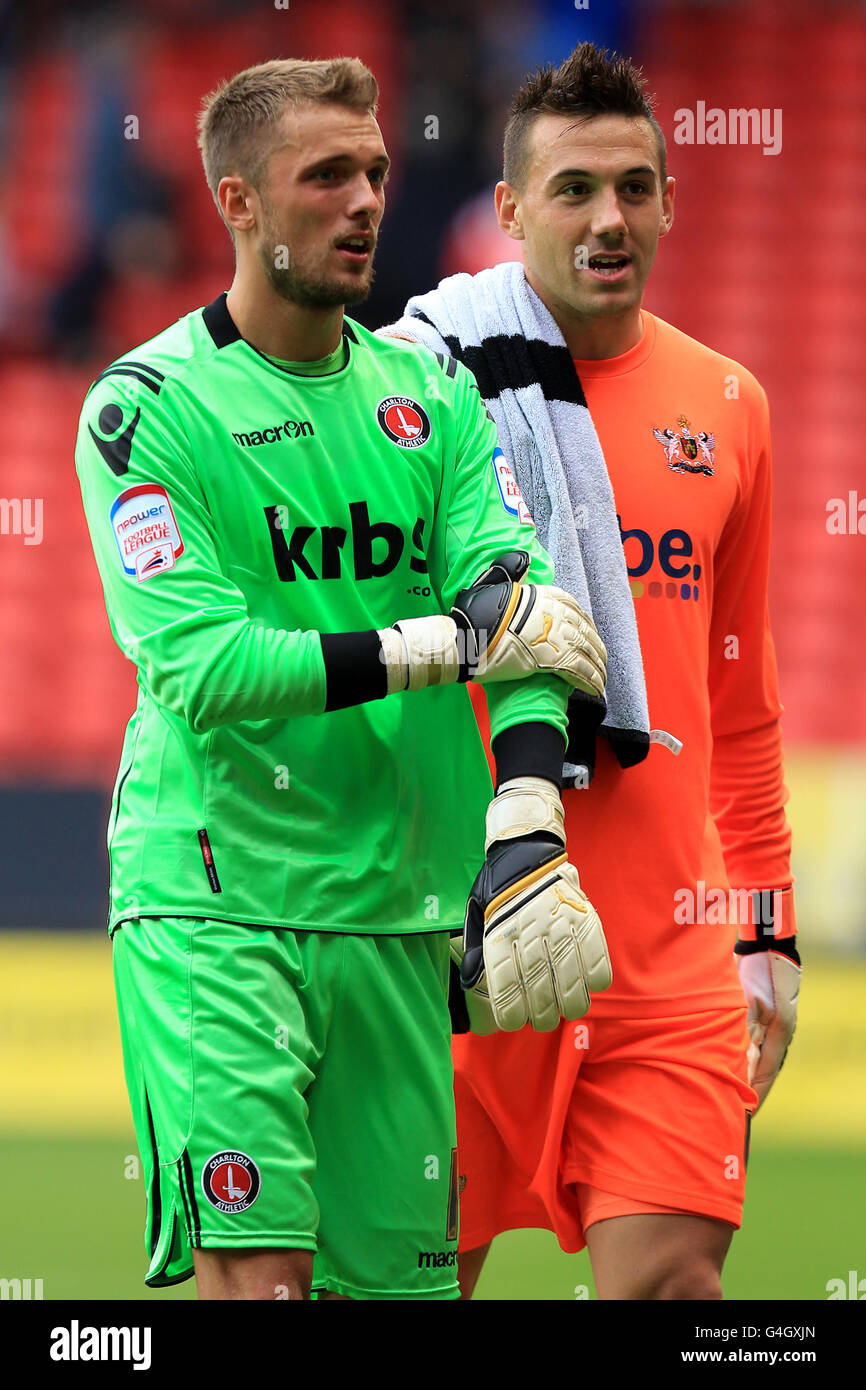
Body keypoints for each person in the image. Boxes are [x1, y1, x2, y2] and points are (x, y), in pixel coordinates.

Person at [74, 55, 612, 1302]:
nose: (365, 199)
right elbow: (203, 667)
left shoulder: (431, 397)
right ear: (238, 202)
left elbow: (523, 624)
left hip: (398, 911)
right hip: (219, 896)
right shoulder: (147, 406)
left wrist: (526, 812)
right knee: (260, 1282)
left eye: (373, 171)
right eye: (326, 175)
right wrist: (437, 644)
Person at [380, 42, 800, 1301]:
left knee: (672, 1292)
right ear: (508, 212)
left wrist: (765, 933)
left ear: (670, 199)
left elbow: (740, 706)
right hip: (453, 938)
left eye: (632, 186)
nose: (606, 218)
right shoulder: (415, 396)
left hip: (662, 960)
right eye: (571, 190)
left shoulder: (728, 405)